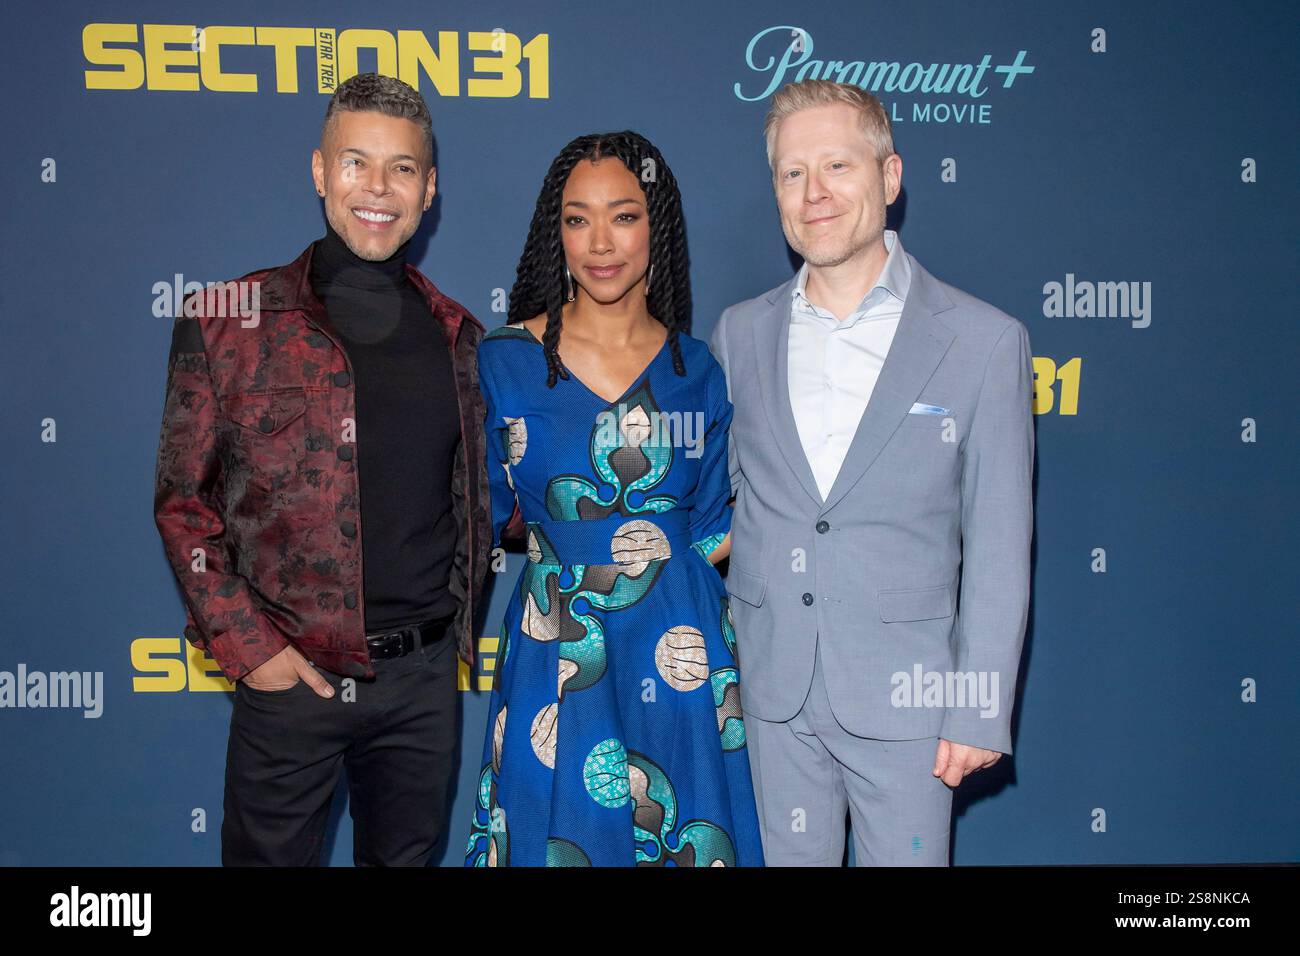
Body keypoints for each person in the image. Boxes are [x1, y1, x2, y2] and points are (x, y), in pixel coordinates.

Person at [153, 73, 490, 866]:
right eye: (356, 163)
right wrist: (251, 649)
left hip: (421, 685)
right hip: (290, 678)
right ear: (318, 171)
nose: (378, 188)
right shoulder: (229, 321)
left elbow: (481, 500)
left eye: (402, 168)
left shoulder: (462, 339)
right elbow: (181, 504)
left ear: (429, 187)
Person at [709, 79, 1034, 866]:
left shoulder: (984, 342)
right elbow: (722, 507)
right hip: (772, 694)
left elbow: (998, 543)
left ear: (890, 178)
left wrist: (976, 707)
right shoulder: (738, 333)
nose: (813, 193)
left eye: (837, 167)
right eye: (792, 173)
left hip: (912, 704)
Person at [463, 131, 763, 866]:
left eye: (623, 216)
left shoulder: (700, 372)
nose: (600, 242)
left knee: (683, 832)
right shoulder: (504, 362)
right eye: (577, 218)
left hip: (681, 651)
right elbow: (482, 512)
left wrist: (666, 573)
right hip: (555, 647)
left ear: (655, 227)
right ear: (553, 232)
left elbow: (720, 525)